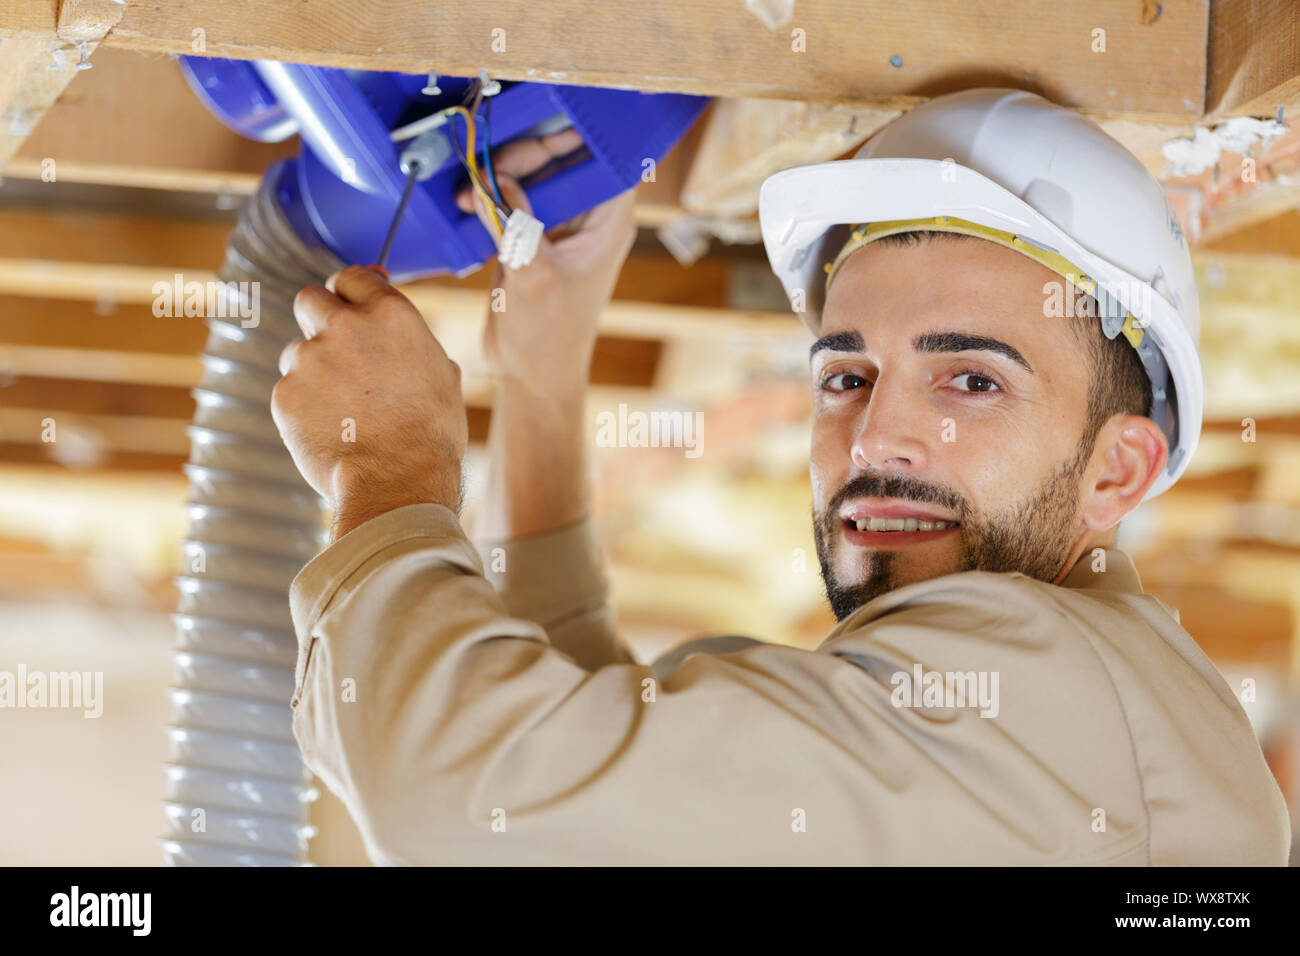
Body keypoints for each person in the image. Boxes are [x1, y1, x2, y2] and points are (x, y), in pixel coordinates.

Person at [271, 89, 1290, 864]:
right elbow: (584, 758)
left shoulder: (1048, 704)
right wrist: (542, 362)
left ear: (1119, 470)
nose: (877, 435)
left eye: (970, 379)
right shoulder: (1067, 719)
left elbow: (467, 795)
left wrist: (391, 465)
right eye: (847, 373)